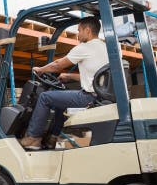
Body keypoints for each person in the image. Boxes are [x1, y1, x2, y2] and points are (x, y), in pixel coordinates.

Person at [20, 16, 108, 150]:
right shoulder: (105, 47)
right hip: (101, 96)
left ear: (88, 30)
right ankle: (52, 138)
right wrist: (69, 76)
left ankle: (33, 138)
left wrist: (41, 70)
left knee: (45, 97)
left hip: (90, 97)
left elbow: (57, 65)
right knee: (60, 99)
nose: (78, 35)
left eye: (79, 31)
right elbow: (96, 77)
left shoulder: (85, 47)